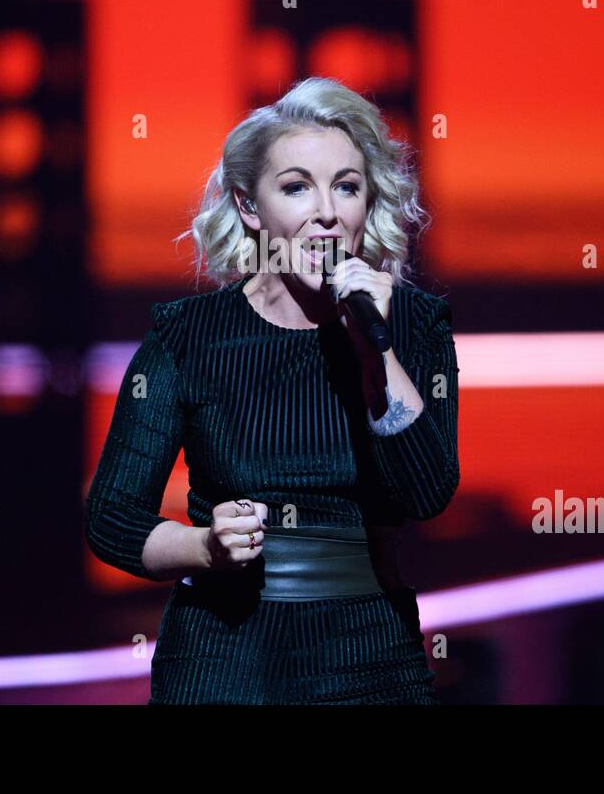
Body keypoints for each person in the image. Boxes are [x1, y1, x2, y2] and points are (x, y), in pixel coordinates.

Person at [83, 76, 460, 704]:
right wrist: (205, 547)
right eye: (296, 188)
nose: (326, 212)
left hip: (369, 656)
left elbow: (427, 493)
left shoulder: (412, 325)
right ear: (250, 208)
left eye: (346, 186)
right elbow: (111, 519)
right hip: (223, 659)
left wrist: (375, 349)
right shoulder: (188, 339)